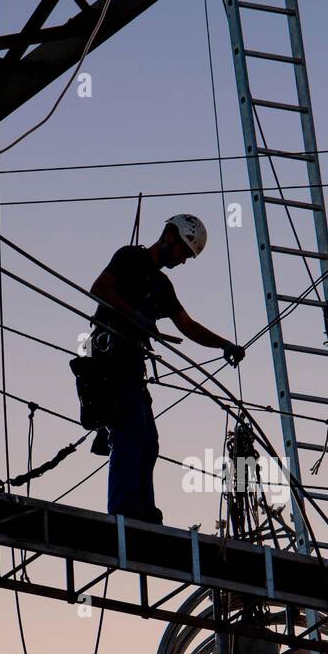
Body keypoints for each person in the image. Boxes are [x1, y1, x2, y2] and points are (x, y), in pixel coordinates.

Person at [86, 214, 244, 524]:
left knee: (148, 440)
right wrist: (136, 317)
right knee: (129, 432)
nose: (184, 260)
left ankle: (142, 509)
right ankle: (123, 507)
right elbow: (100, 288)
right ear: (170, 237)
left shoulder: (161, 285)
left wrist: (224, 343)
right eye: (184, 252)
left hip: (131, 364)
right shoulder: (130, 257)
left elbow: (187, 326)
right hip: (110, 357)